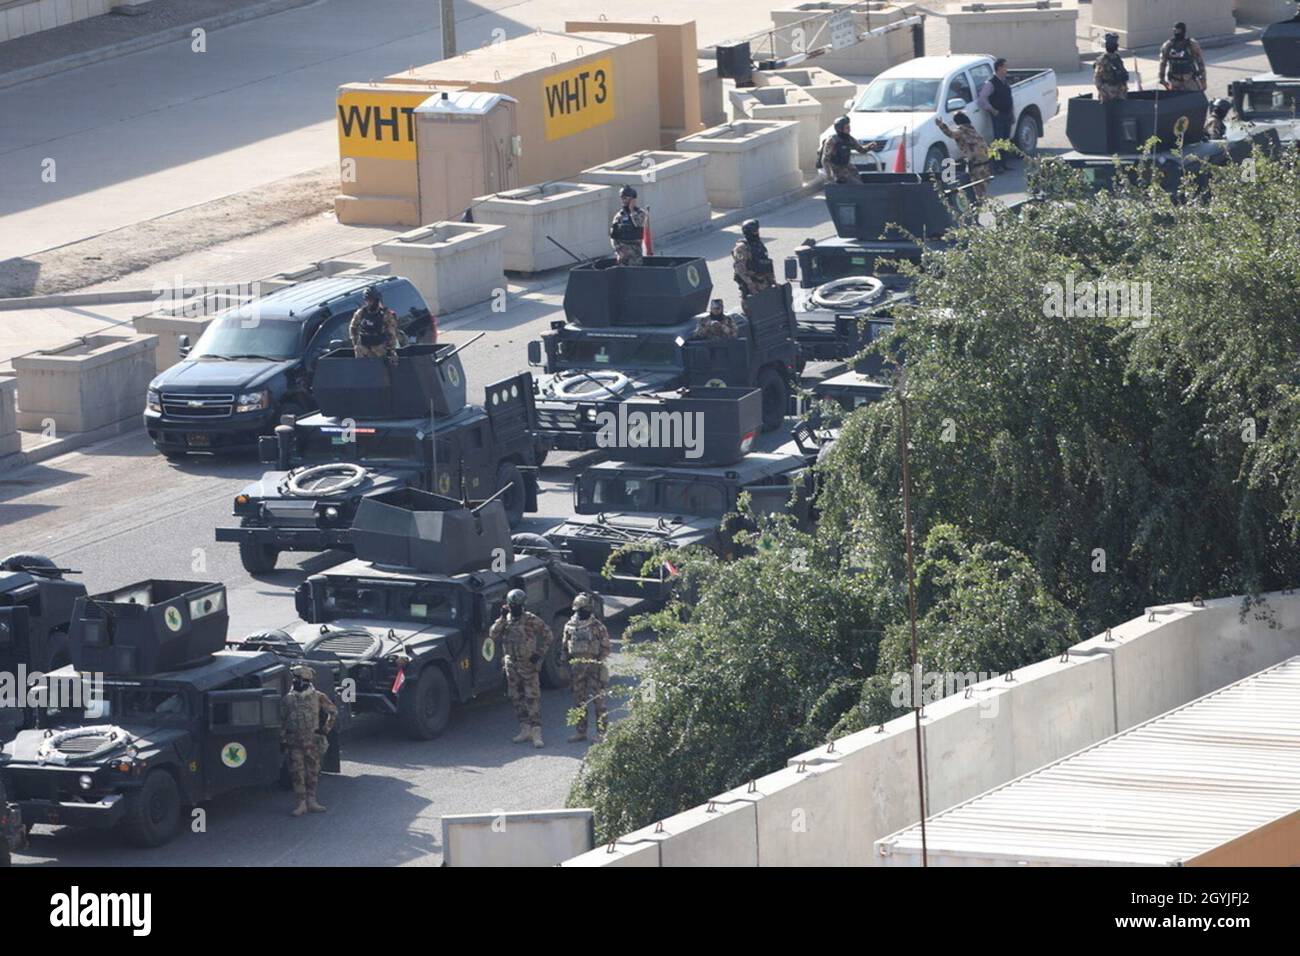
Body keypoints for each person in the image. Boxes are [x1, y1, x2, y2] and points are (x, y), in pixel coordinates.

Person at [489, 589, 554, 748]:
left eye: (517, 605)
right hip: (511, 665)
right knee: (516, 697)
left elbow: (548, 635)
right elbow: (493, 634)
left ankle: (536, 732)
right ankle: (525, 729)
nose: (515, 608)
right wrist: (502, 618)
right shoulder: (506, 620)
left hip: (528, 665)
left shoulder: (531, 619)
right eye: (512, 605)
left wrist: (539, 654)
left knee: (532, 697)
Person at [280, 664, 338, 817]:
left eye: (299, 679)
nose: (297, 681)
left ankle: (312, 800)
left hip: (313, 740)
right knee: (297, 772)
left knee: (313, 771)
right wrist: (283, 739)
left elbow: (333, 712)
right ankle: (301, 803)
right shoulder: (289, 698)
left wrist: (325, 730)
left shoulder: (318, 696)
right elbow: (283, 720)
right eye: (296, 678)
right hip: (294, 741)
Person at [563, 593, 611, 743]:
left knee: (599, 701)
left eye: (588, 608)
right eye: (584, 608)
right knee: (579, 701)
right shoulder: (570, 626)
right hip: (577, 670)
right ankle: (581, 731)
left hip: (594, 670)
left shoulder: (597, 626)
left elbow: (606, 647)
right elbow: (565, 647)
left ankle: (602, 733)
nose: (587, 611)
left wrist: (598, 662)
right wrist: (565, 664)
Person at [934, 112, 991, 200]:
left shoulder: (961, 130)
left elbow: (951, 134)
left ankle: (979, 202)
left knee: (975, 186)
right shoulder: (972, 129)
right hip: (984, 161)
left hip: (975, 163)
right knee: (982, 185)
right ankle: (982, 200)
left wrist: (941, 125)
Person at [977, 58, 1016, 172]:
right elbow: (982, 99)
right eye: (1005, 66)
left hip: (1007, 114)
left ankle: (1004, 164)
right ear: (999, 68)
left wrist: (1012, 113)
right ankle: (997, 165)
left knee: (1006, 140)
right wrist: (993, 110)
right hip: (998, 115)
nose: (1006, 69)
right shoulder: (991, 83)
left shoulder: (1005, 81)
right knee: (998, 141)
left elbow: (1010, 98)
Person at [349, 286, 400, 367]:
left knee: (380, 370)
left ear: (376, 300)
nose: (369, 303)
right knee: (361, 369)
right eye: (367, 300)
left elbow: (391, 333)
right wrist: (355, 342)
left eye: (371, 300)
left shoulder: (385, 314)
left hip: (378, 348)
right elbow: (353, 327)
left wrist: (392, 351)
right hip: (362, 348)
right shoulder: (361, 312)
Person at [819, 116, 877, 184]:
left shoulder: (849, 139)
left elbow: (861, 149)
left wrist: (869, 147)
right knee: (855, 184)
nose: (849, 130)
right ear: (840, 129)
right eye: (847, 128)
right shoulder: (832, 141)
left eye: (849, 127)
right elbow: (825, 160)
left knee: (858, 178)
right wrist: (829, 175)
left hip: (846, 165)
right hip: (836, 168)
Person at [732, 219, 776, 299]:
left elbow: (765, 263)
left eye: (757, 230)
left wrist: (772, 281)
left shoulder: (758, 244)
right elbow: (740, 270)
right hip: (752, 287)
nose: (757, 233)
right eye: (754, 231)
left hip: (764, 283)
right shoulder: (741, 248)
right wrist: (750, 284)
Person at [1159, 22, 1206, 92]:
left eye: (1179, 31)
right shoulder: (1168, 45)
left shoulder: (1191, 44)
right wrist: (1162, 79)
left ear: (1183, 31)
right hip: (1175, 81)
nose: (1177, 33)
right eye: (1175, 31)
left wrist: (1203, 78)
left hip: (1190, 80)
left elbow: (1200, 62)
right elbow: (1163, 63)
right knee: (1175, 101)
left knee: (1196, 98)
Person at [609, 185, 648, 266]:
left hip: (635, 253)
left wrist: (631, 210)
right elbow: (613, 236)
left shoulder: (641, 213)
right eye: (622, 198)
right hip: (622, 254)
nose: (623, 200)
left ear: (632, 199)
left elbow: (637, 224)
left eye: (625, 198)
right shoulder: (619, 215)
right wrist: (618, 251)